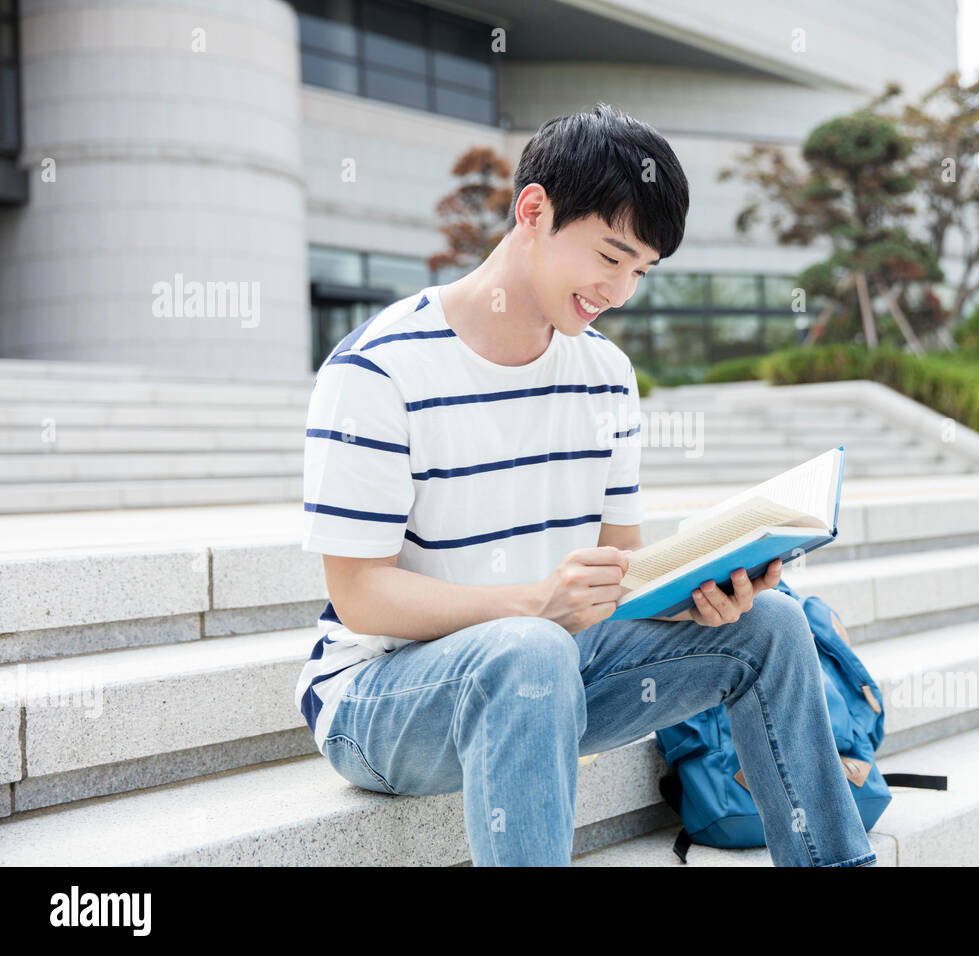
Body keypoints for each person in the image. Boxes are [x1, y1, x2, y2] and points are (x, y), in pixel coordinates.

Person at [293, 102, 877, 867]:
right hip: (382, 700)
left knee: (772, 627)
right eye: (610, 257)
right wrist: (529, 605)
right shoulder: (379, 370)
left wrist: (706, 592)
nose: (622, 291)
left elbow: (617, 571)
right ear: (533, 210)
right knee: (529, 650)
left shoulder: (604, 374)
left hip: (554, 670)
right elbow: (363, 594)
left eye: (641, 270)